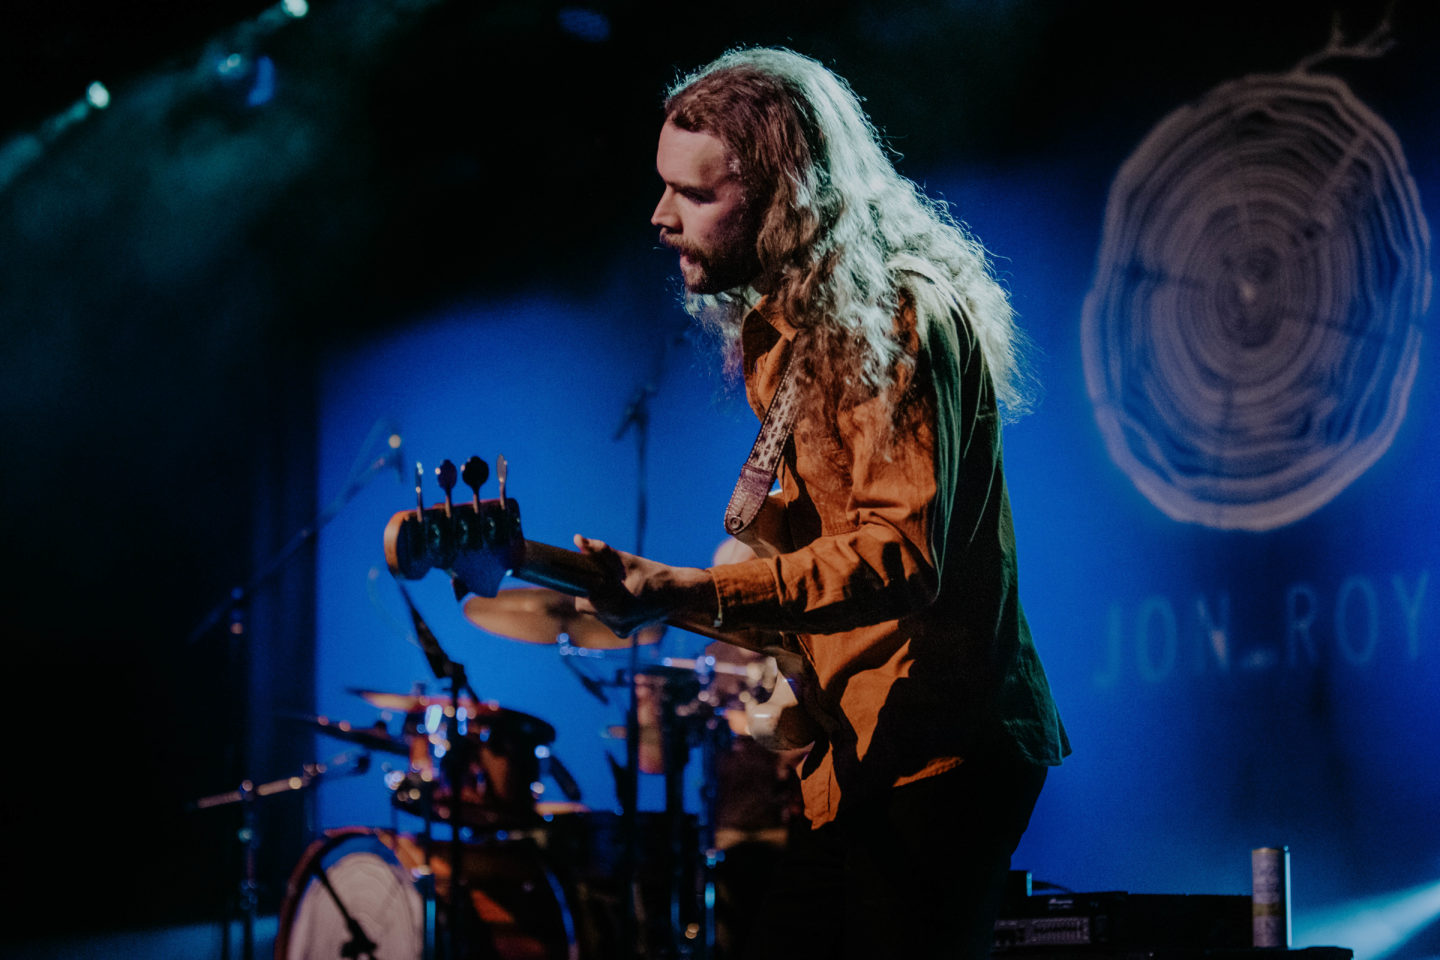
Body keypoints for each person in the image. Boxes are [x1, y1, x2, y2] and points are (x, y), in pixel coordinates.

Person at [574, 46, 1069, 959]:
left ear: (785, 198)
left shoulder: (893, 320)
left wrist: (685, 592)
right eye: (663, 187)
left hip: (936, 746)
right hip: (853, 756)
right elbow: (814, 565)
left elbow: (900, 557)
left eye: (695, 194)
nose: (660, 216)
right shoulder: (781, 341)